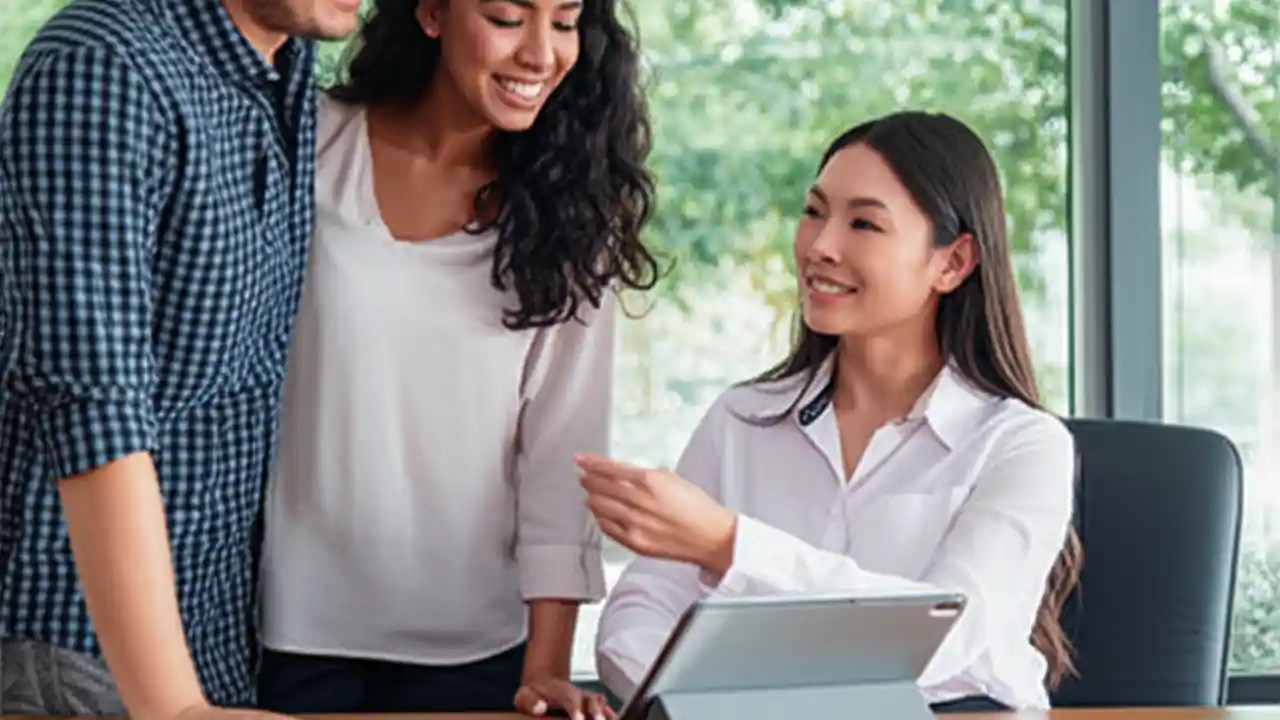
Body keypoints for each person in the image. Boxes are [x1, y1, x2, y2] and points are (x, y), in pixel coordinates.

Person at [579, 111, 1083, 713]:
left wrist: (730, 546)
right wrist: (700, 703)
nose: (820, 247)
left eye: (864, 223)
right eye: (814, 212)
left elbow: (949, 636)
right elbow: (637, 612)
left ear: (952, 263)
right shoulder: (742, 419)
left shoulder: (1022, 444)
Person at [253, 1, 657, 718]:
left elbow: (558, 459)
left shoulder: (576, 217)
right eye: (508, 17)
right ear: (432, 13)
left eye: (564, 23)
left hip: (477, 654)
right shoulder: (308, 141)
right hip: (279, 632)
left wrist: (544, 671)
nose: (542, 53)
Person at [0, 0, 361, 718]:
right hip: (76, 653)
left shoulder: (283, 65)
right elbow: (89, 401)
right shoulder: (102, 66)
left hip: (212, 641)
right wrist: (174, 707)